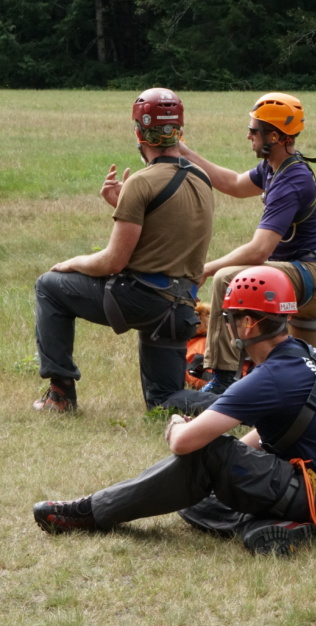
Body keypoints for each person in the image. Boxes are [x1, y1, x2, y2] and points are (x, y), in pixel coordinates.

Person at [33, 266, 316, 556]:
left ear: (247, 325)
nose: (224, 326)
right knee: (191, 498)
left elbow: (184, 444)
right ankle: (278, 528)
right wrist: (236, 457)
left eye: (228, 318)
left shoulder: (271, 376)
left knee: (205, 455)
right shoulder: (301, 354)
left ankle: (89, 511)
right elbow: (281, 427)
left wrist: (176, 425)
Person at [33, 88, 214, 412]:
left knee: (49, 286)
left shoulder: (142, 183)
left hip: (141, 302)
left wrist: (71, 262)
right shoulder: (201, 179)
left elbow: (112, 261)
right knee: (164, 402)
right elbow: (167, 235)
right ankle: (246, 405)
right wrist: (124, 206)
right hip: (180, 310)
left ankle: (60, 396)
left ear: (138, 132)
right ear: (180, 131)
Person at [178, 92, 316, 394]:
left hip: (310, 276)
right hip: (312, 278)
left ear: (275, 136)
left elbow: (259, 250)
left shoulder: (291, 180)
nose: (248, 135)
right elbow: (234, 184)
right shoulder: (274, 168)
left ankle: (222, 380)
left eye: (254, 130)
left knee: (229, 279)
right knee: (307, 374)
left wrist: (207, 268)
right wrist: (185, 153)